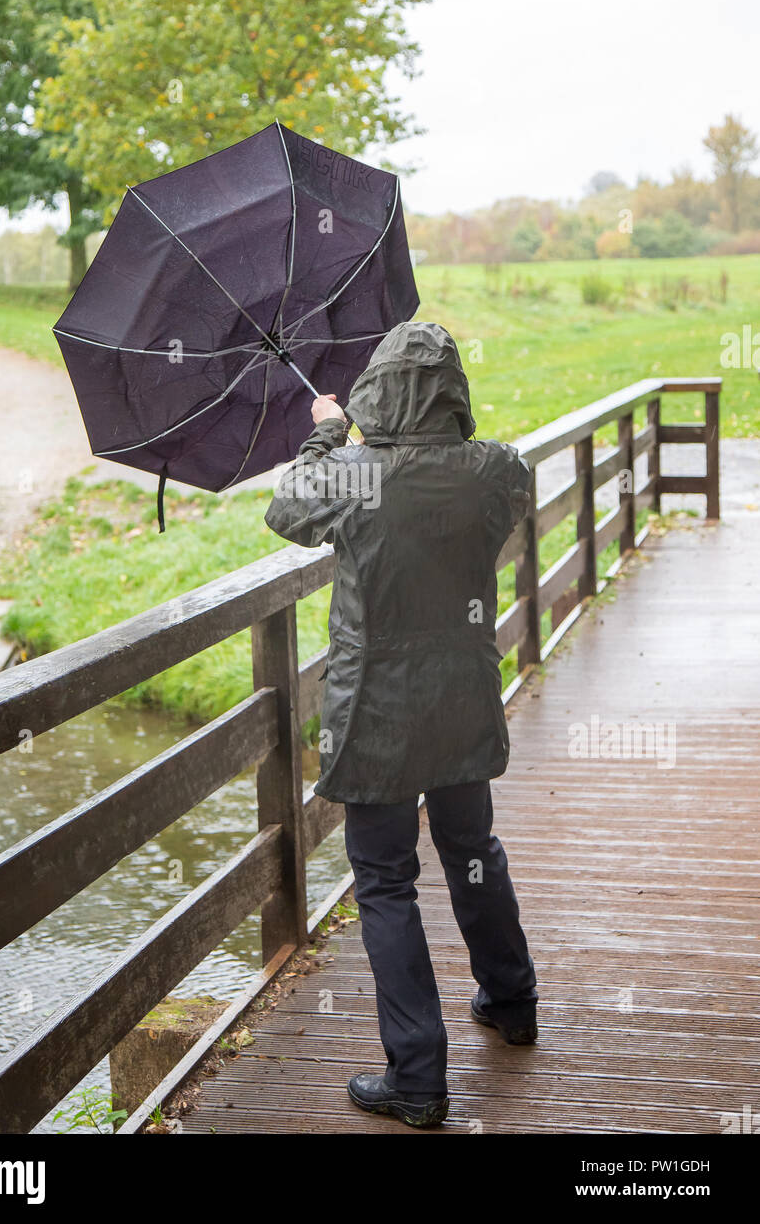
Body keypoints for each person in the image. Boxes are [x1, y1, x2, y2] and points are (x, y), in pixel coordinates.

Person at [264, 321, 538, 1129]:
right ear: (453, 392)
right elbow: (497, 494)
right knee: (473, 851)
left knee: (385, 881)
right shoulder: (494, 470)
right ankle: (513, 1001)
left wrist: (324, 434)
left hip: (375, 705)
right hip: (459, 695)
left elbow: (287, 510)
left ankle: (417, 1077)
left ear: (378, 389)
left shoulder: (352, 476)